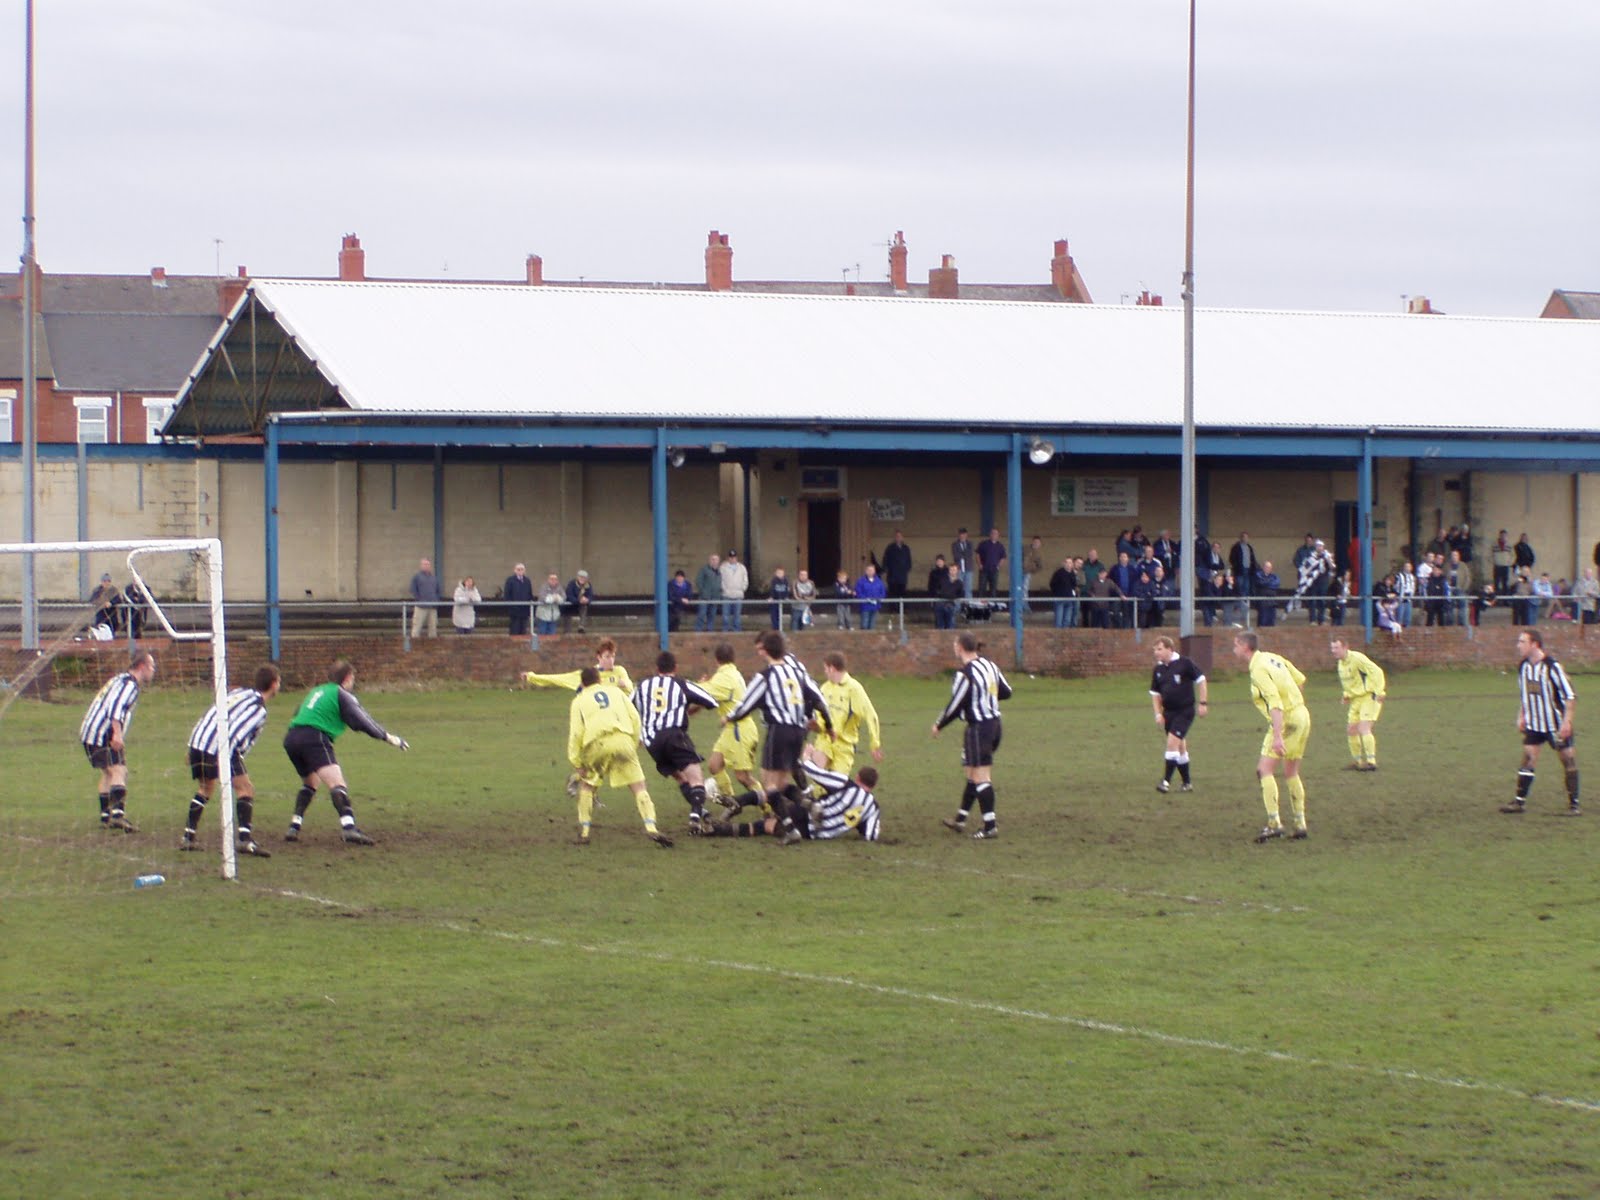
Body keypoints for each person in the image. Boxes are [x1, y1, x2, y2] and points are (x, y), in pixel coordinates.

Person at [722, 631, 833, 844]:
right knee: (780, 783)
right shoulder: (798, 673)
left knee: (769, 784)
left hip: (779, 731)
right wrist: (828, 725)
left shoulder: (766, 676)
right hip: (799, 730)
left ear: (767, 650)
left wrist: (729, 717)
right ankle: (811, 804)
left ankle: (791, 830)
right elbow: (819, 698)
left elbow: (745, 705)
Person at [281, 660, 407, 845]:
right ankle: (349, 829)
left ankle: (294, 826)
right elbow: (363, 721)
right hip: (314, 737)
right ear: (348, 678)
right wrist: (388, 737)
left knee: (311, 782)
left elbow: (297, 712)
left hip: (291, 738)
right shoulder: (342, 694)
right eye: (353, 678)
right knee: (337, 783)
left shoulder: (316, 691)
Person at [180, 665, 281, 856]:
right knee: (245, 788)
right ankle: (244, 840)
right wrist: (227, 759)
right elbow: (237, 733)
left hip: (199, 742)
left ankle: (188, 836)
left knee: (205, 789)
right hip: (221, 748)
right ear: (274, 684)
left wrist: (191, 745)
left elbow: (211, 712)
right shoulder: (258, 709)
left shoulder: (239, 693)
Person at [568, 667, 673, 847]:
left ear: (582, 684)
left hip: (597, 745)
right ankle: (651, 827)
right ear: (600, 680)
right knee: (639, 786)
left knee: (587, 785)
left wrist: (576, 762)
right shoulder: (616, 692)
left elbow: (576, 733)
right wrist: (633, 741)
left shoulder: (579, 701)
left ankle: (584, 833)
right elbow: (635, 717)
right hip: (623, 740)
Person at [933, 631, 1013, 840]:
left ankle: (990, 826)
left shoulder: (964, 674)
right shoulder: (990, 665)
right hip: (995, 725)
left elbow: (955, 704)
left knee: (981, 776)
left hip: (978, 729)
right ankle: (960, 819)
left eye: (954, 644)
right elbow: (1006, 691)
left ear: (959, 647)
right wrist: (987, 698)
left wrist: (939, 725)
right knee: (972, 772)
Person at [1233, 631, 1311, 843]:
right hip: (1302, 715)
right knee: (1291, 772)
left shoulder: (1258, 669)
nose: (1234, 650)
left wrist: (1277, 735)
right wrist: (1294, 703)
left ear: (1244, 647)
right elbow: (1300, 681)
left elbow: (1275, 704)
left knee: (1264, 770)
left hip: (1285, 720)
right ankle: (1300, 823)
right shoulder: (1274, 658)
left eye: (1236, 645)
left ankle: (1274, 823)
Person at [633, 651, 721, 834]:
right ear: (676, 668)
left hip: (652, 742)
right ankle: (695, 817)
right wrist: (688, 708)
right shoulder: (682, 684)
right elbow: (711, 702)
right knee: (696, 778)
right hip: (674, 736)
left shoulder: (642, 686)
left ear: (656, 669)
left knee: (681, 777)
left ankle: (702, 812)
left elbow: (629, 707)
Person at [1500, 628, 1579, 817]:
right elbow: (1525, 695)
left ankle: (1574, 805)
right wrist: (1522, 715)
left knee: (1567, 759)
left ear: (1534, 644)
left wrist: (1567, 722)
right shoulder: (1523, 667)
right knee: (1528, 758)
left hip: (1555, 725)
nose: (1518, 646)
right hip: (1535, 724)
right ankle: (1519, 802)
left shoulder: (1552, 667)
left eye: (1522, 642)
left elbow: (1570, 696)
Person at [79, 650, 157, 832]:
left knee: (109, 772)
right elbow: (115, 709)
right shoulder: (129, 686)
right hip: (102, 734)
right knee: (119, 771)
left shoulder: (120, 679)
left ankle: (105, 817)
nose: (153, 671)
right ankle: (118, 816)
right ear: (142, 667)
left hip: (90, 731)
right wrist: (117, 734)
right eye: (152, 666)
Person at [700, 642, 763, 813]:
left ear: (716, 660)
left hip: (740, 730)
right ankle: (732, 803)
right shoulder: (731, 673)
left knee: (743, 777)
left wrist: (699, 685)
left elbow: (705, 692)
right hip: (732, 729)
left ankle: (770, 807)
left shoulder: (726, 677)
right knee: (714, 765)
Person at [806, 651, 884, 777]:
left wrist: (875, 743)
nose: (825, 672)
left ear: (832, 668)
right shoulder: (824, 688)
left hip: (844, 746)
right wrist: (816, 726)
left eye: (825, 668)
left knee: (837, 785)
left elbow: (871, 715)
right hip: (824, 740)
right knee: (818, 778)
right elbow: (820, 717)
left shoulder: (854, 689)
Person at [1149, 636, 1206, 793]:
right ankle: (1187, 784)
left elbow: (1201, 679)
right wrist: (1158, 714)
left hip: (1185, 711)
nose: (1156, 653)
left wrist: (1202, 703)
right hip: (1169, 713)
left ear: (1170, 649)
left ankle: (1165, 782)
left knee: (1172, 743)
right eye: (1155, 650)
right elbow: (1155, 694)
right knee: (1180, 747)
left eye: (1159, 649)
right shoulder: (1158, 669)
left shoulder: (1185, 663)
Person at [1331, 637, 1386, 772]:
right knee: (1351, 730)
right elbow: (1349, 683)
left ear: (1345, 647)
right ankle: (1357, 762)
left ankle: (1371, 762)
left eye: (1336, 648)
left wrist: (1379, 691)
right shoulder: (1341, 664)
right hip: (1356, 699)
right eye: (1332, 648)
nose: (1333, 651)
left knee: (1364, 728)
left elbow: (1377, 671)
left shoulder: (1357, 658)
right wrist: (1346, 695)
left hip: (1369, 696)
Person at [524, 638, 636, 696]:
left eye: (613, 656)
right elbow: (557, 679)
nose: (611, 660)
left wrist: (626, 685)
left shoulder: (619, 671)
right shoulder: (590, 675)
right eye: (607, 657)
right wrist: (531, 677)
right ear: (598, 657)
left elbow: (630, 689)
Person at [408, 557, 442, 639]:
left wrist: (436, 601)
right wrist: (419, 600)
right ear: (421, 566)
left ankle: (433, 646)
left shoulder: (434, 578)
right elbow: (413, 589)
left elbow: (438, 590)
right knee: (417, 627)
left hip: (432, 607)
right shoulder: (416, 577)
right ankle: (414, 646)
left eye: (427, 564)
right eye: (424, 564)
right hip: (420, 607)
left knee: (433, 629)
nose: (426, 566)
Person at [719, 550, 749, 632]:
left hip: (738, 594)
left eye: (734, 557)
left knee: (737, 615)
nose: (732, 559)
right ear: (728, 558)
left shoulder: (742, 567)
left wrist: (743, 588)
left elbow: (745, 579)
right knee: (725, 616)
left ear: (736, 558)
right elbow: (720, 580)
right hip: (726, 595)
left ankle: (737, 631)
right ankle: (725, 631)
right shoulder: (723, 567)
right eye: (731, 557)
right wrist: (724, 589)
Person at [504, 563, 534, 636]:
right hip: (514, 611)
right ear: (515, 570)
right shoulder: (510, 580)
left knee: (523, 631)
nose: (520, 571)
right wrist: (511, 607)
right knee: (514, 631)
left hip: (524, 611)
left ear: (524, 571)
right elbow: (507, 595)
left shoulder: (527, 581)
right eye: (518, 569)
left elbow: (529, 594)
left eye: (522, 569)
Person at [1049, 555, 1079, 628]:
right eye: (1067, 562)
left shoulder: (1072, 573)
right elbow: (1052, 584)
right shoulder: (1059, 573)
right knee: (1058, 621)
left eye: (1070, 563)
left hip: (1069, 599)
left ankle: (1065, 637)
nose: (1069, 564)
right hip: (1060, 599)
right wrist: (1057, 593)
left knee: (1067, 621)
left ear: (1072, 564)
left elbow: (1074, 585)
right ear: (1064, 563)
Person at [695, 553, 723, 632]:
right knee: (701, 614)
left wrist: (719, 593)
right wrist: (703, 592)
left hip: (715, 598)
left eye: (716, 560)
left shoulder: (719, 571)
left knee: (712, 615)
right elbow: (698, 581)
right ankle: (698, 631)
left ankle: (710, 630)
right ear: (709, 560)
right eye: (712, 559)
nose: (714, 561)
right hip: (704, 598)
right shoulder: (704, 570)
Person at [976, 527, 1007, 597]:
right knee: (982, 588)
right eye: (992, 533)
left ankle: (992, 604)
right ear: (990, 534)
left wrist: (998, 566)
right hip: (984, 569)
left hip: (994, 570)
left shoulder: (1000, 546)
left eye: (996, 533)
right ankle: (981, 605)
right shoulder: (983, 544)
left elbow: (1003, 557)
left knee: (993, 589)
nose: (994, 535)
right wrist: (979, 564)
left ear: (998, 535)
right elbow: (978, 555)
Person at [882, 530, 913, 600]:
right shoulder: (890, 548)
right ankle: (892, 609)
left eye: (900, 536)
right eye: (897, 536)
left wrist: (907, 569)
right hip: (892, 575)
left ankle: (901, 609)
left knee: (902, 593)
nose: (898, 538)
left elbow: (909, 560)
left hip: (902, 576)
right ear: (895, 538)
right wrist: (886, 569)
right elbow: (885, 560)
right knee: (892, 593)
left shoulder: (906, 548)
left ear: (902, 538)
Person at [855, 562, 886, 630]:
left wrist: (879, 598)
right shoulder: (861, 581)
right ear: (866, 571)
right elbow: (858, 591)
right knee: (864, 624)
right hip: (865, 606)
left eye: (872, 570)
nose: (870, 572)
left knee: (872, 624)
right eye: (868, 570)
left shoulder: (879, 581)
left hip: (875, 606)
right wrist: (865, 599)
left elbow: (883, 591)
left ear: (874, 571)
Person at [933, 561, 962, 630]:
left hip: (951, 605)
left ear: (957, 571)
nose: (952, 571)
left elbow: (960, 595)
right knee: (940, 627)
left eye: (954, 570)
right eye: (951, 569)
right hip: (940, 604)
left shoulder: (959, 583)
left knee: (950, 626)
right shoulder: (942, 580)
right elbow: (938, 591)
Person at [564, 569, 594, 634]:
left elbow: (591, 595)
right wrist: (578, 600)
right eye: (580, 577)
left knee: (584, 607)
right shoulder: (572, 583)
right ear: (577, 577)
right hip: (570, 605)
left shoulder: (588, 585)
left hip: (581, 605)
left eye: (584, 577)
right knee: (567, 614)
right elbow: (569, 595)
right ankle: (567, 632)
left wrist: (587, 600)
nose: (582, 579)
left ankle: (581, 626)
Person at [950, 527, 975, 599]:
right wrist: (964, 554)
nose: (963, 536)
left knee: (968, 589)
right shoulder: (954, 544)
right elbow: (956, 556)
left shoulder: (970, 544)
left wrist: (962, 554)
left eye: (964, 534)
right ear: (959, 535)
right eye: (961, 534)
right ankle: (958, 606)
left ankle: (969, 605)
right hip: (959, 569)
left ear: (966, 535)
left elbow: (969, 554)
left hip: (968, 569)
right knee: (958, 588)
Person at [765, 565, 791, 630]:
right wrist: (771, 597)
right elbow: (772, 590)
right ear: (775, 573)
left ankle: (780, 629)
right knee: (774, 616)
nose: (780, 574)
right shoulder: (774, 581)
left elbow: (786, 590)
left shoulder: (786, 581)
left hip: (781, 600)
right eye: (778, 573)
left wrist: (786, 597)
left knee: (780, 616)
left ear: (784, 574)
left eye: (781, 573)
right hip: (774, 601)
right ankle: (775, 629)